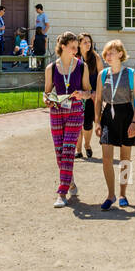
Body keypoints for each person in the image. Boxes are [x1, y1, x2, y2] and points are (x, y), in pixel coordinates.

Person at [44, 31, 91, 207]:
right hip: (57, 111)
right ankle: (70, 181)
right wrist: (47, 100)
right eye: (72, 47)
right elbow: (47, 92)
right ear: (63, 47)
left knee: (69, 149)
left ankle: (62, 193)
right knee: (59, 152)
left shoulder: (82, 66)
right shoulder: (51, 68)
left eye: (76, 48)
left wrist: (82, 94)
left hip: (75, 110)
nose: (75, 51)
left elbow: (89, 91)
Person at [94, 40, 135, 210]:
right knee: (106, 158)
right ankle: (110, 195)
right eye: (106, 53)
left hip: (127, 116)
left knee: (125, 159)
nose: (107, 56)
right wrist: (97, 121)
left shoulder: (131, 74)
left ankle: (123, 194)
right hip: (108, 116)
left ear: (120, 54)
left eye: (111, 53)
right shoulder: (102, 75)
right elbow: (98, 99)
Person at [75, 33, 101, 160]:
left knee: (87, 123)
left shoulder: (95, 58)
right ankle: (78, 150)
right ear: (79, 44)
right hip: (78, 95)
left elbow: (102, 77)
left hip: (91, 95)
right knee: (77, 124)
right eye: (84, 42)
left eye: (89, 41)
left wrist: (97, 92)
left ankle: (87, 145)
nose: (88, 44)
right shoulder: (75, 58)